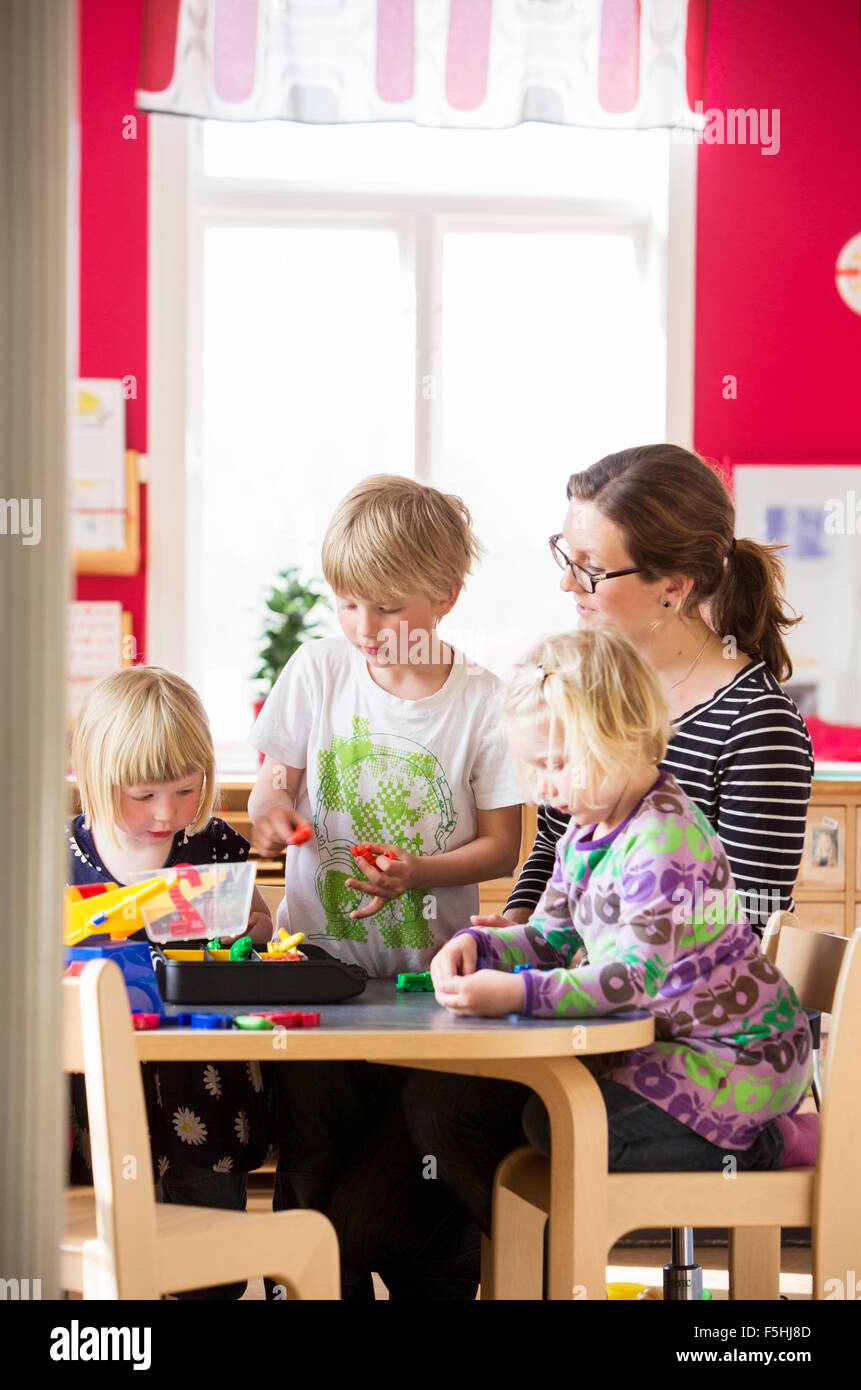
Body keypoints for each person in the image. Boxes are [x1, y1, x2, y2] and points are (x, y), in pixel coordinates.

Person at [406, 627, 817, 1249]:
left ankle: (767, 1144)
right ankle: (539, 1268)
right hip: (663, 1051)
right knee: (458, 1109)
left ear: (625, 738)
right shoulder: (587, 830)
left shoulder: (664, 842)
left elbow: (632, 980)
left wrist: (514, 994)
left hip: (735, 1065)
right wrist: (480, 947)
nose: (543, 787)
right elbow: (550, 936)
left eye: (557, 764)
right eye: (534, 766)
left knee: (552, 1129)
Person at [248, 474, 522, 1298]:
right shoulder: (319, 669)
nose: (363, 629)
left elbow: (502, 848)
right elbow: (272, 783)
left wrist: (417, 875)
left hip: (429, 991)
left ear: (444, 597)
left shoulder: (482, 704)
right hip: (318, 975)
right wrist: (274, 812)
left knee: (418, 1200)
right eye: (347, 605)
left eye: (387, 608)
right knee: (311, 1159)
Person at [505, 443, 814, 934]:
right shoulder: (587, 685)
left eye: (591, 566)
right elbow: (556, 843)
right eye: (567, 554)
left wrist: (589, 967)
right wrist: (516, 931)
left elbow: (748, 922)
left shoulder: (757, 726)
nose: (567, 582)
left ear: (672, 588)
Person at [68, 665, 273, 1299]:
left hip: (205, 1086)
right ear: (96, 780)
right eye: (144, 795)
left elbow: (261, 923)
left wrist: (244, 918)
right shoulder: (60, 852)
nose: (166, 814)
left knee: (210, 1264)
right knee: (107, 1253)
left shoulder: (211, 844)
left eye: (185, 792)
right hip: (90, 1090)